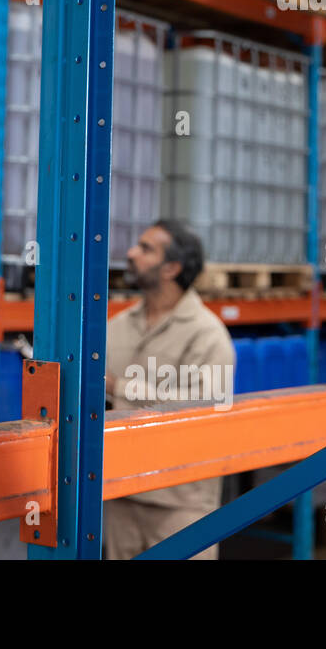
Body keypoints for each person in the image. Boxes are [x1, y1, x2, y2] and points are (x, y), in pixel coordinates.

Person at [104, 220, 235, 559]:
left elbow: (208, 406)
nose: (131, 254)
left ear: (172, 268)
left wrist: (122, 388)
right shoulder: (116, 327)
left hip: (180, 504)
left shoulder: (207, 334)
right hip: (120, 494)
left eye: (146, 249)